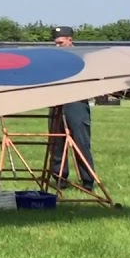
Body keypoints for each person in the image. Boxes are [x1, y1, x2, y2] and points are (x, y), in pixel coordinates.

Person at [48, 26, 96, 190]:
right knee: (56, 142)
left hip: (76, 102)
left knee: (81, 141)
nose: (57, 46)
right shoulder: (53, 58)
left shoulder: (83, 57)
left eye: (60, 42)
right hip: (55, 102)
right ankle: (60, 178)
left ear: (70, 39)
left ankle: (87, 180)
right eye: (55, 43)